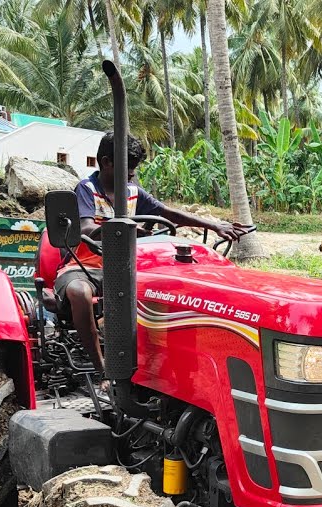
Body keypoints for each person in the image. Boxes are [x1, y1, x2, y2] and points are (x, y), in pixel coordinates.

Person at [57, 132, 249, 378]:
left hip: (132, 266)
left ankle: (172, 364)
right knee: (78, 292)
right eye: (128, 168)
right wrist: (124, 229)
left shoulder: (133, 191)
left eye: (134, 169)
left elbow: (167, 213)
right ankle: (102, 367)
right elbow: (85, 228)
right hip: (87, 265)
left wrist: (214, 225)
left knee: (177, 291)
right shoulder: (86, 189)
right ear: (107, 162)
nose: (132, 174)